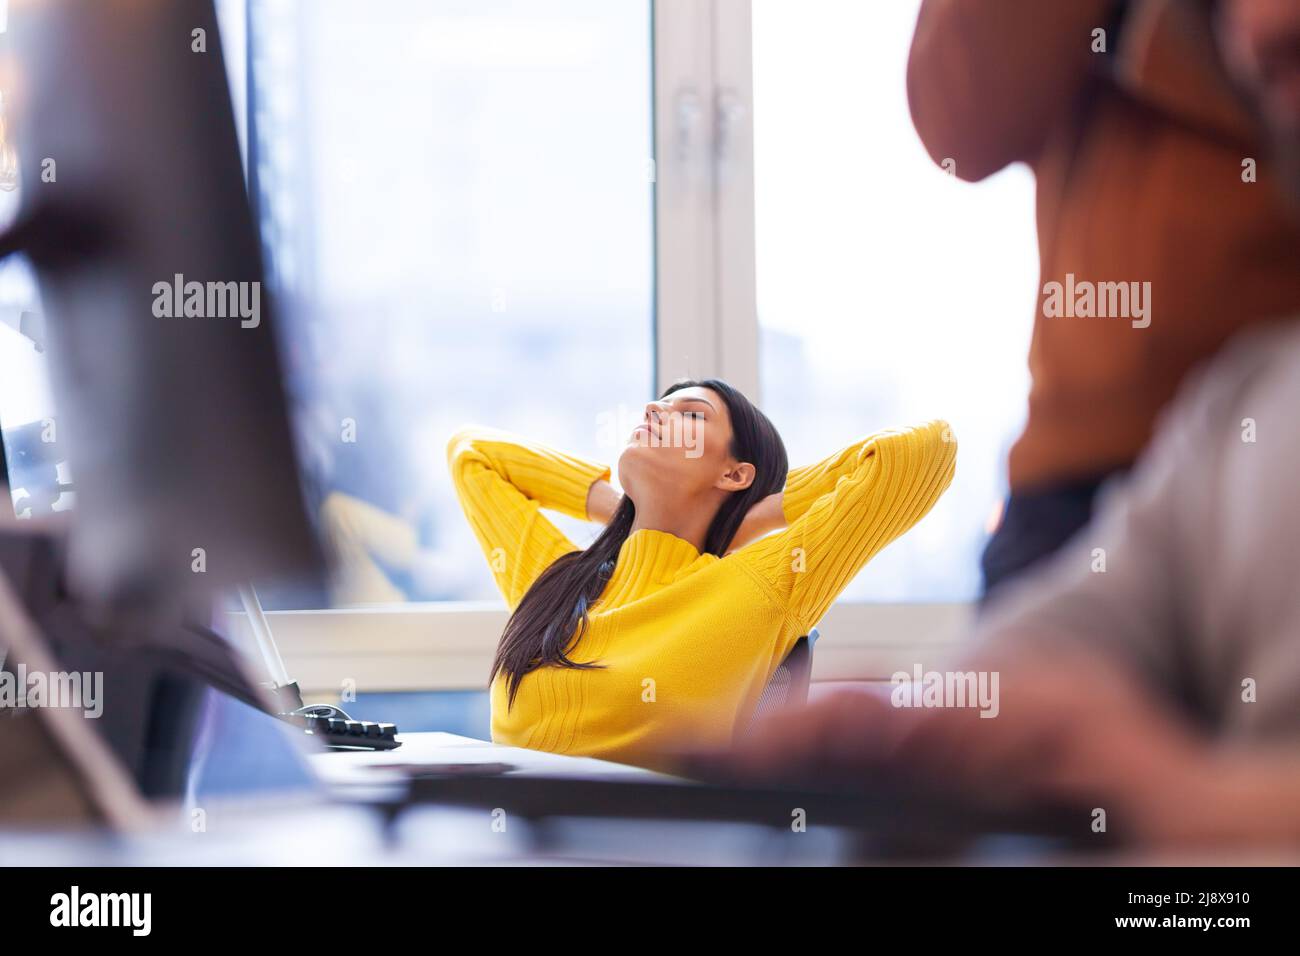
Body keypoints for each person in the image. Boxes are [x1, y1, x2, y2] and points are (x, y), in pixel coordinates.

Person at [697, 0, 1300, 847]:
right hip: (1115, 467)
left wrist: (1194, 808)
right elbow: (962, 115)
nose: (1252, 31)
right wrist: (904, 722)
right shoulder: (1244, 415)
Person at [908, 0, 1300, 601]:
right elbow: (962, 118)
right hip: (1081, 477)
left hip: (1263, 444)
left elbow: (1271, 39)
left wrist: (1147, 38)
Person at [447, 379, 955, 769]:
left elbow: (926, 452)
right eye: (657, 406)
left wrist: (759, 513)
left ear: (734, 473)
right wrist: (622, 505)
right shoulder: (559, 583)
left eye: (690, 413)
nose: (652, 411)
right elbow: (472, 456)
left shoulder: (762, 584)